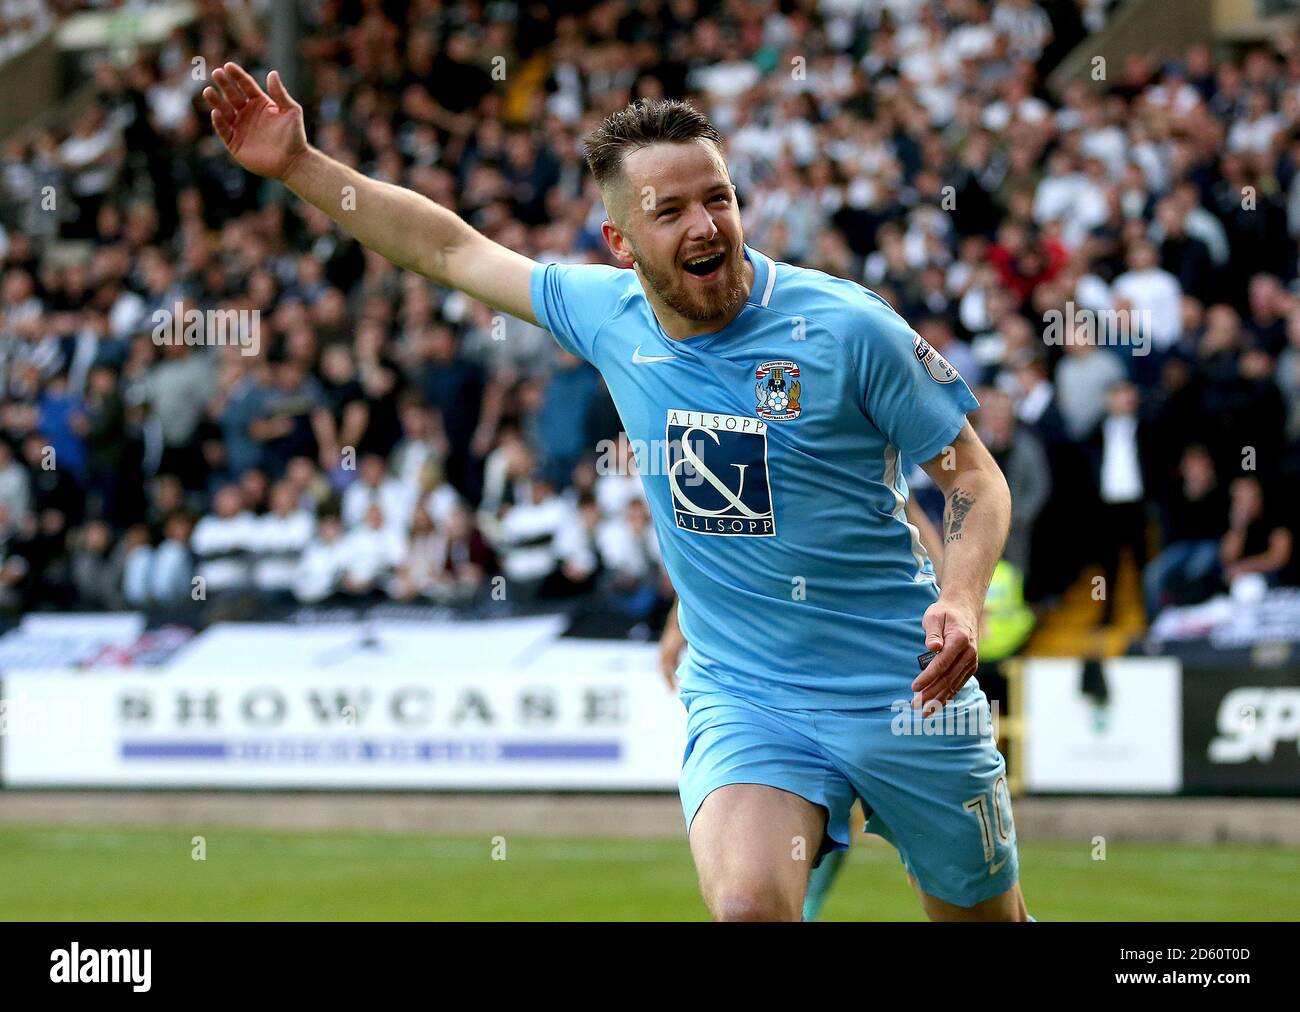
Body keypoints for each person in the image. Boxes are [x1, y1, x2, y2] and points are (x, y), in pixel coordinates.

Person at [205, 67, 1027, 922]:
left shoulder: (849, 328)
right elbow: (447, 248)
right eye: (670, 212)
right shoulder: (605, 314)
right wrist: (301, 166)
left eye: (718, 198)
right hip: (750, 695)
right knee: (749, 908)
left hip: (908, 690)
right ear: (621, 242)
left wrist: (963, 601)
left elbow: (971, 476)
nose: (707, 225)